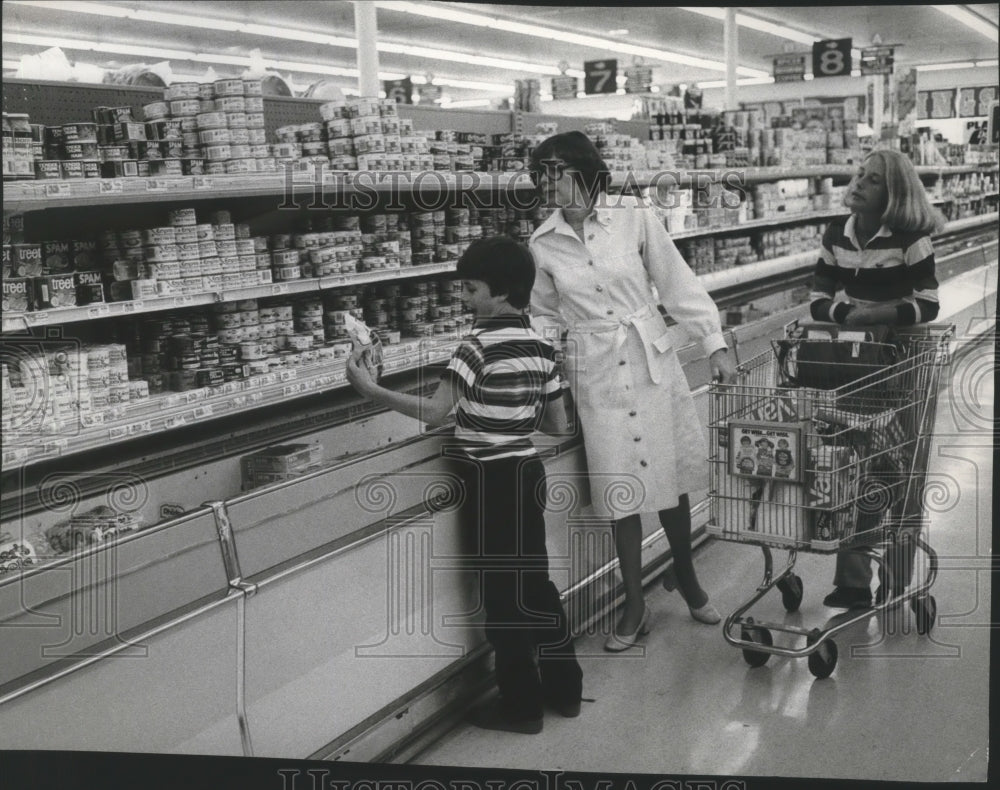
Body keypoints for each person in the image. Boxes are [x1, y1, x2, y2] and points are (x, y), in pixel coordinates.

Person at [346, 235, 583, 734]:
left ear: (500, 294)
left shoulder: (473, 348)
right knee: (535, 586)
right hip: (527, 474)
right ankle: (566, 689)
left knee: (501, 597)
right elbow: (560, 425)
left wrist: (371, 390)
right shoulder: (541, 345)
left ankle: (520, 708)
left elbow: (436, 412)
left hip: (490, 481)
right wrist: (508, 416)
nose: (464, 298)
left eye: (471, 289)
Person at [527, 131, 737, 652]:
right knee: (620, 489)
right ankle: (634, 601)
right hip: (593, 371)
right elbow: (544, 315)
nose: (547, 181)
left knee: (671, 478)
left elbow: (676, 281)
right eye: (540, 173)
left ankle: (686, 577)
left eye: (556, 169)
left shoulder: (633, 216)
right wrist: (539, 367)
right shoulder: (542, 242)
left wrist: (714, 343)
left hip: (648, 360)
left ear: (584, 169)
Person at [808, 148, 945, 609]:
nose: (857, 183)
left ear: (892, 193)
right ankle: (852, 582)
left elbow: (927, 303)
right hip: (860, 361)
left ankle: (897, 576)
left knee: (900, 469)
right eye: (858, 175)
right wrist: (849, 314)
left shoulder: (910, 238)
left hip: (907, 363)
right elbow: (817, 297)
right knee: (855, 465)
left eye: (871, 180)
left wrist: (880, 314)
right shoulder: (836, 234)